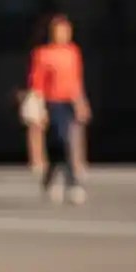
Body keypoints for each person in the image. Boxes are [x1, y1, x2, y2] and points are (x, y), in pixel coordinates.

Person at [28, 13, 91, 205]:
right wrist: (38, 107)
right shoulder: (42, 54)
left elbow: (76, 80)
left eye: (66, 31)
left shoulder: (73, 52)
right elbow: (37, 82)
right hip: (52, 103)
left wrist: (81, 102)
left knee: (63, 143)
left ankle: (53, 179)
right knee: (61, 140)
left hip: (69, 102)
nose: (64, 35)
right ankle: (72, 183)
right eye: (60, 31)